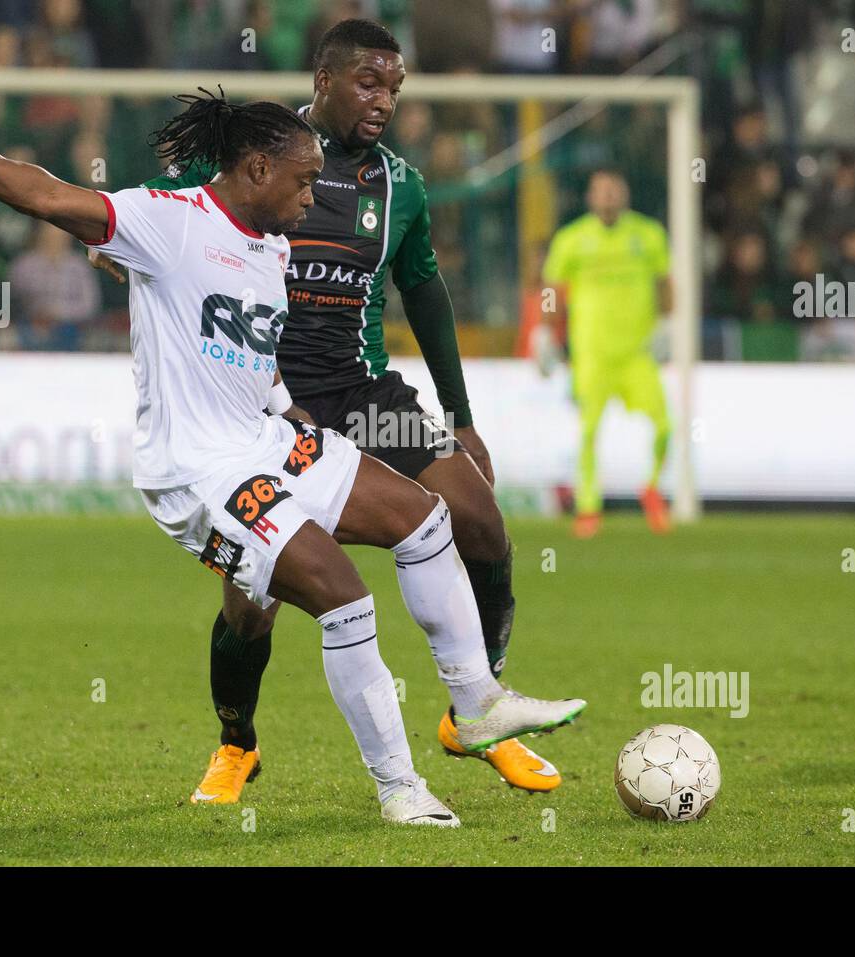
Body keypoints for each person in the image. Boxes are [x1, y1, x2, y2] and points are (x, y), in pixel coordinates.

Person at [0, 91, 584, 828]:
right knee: (343, 596)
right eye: (304, 181)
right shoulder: (170, 221)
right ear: (256, 168)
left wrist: (287, 407)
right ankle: (399, 787)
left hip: (268, 437)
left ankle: (476, 703)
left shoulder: (272, 243)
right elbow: (51, 196)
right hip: (198, 471)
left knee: (426, 520)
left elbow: (245, 344)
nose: (314, 197)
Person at [90, 19, 559, 804]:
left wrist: (461, 414)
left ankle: (478, 708)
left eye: (395, 90)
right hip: (257, 407)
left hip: (359, 390)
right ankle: (237, 742)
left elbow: (427, 294)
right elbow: (141, 234)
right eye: (369, 84)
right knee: (252, 608)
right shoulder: (253, 149)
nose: (383, 103)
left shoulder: (401, 185)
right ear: (324, 79)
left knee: (477, 514)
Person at [541, 168, 673, 539]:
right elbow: (552, 288)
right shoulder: (572, 239)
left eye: (615, 189)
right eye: (602, 191)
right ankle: (588, 508)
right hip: (592, 353)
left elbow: (665, 283)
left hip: (636, 353)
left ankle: (651, 488)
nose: (609, 196)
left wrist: (667, 325)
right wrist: (545, 333)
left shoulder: (648, 235)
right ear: (591, 197)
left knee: (665, 426)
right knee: (588, 432)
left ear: (625, 194)